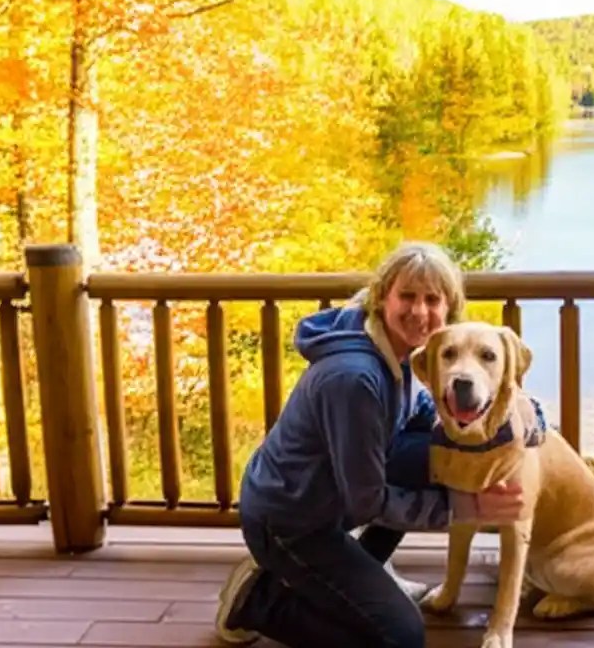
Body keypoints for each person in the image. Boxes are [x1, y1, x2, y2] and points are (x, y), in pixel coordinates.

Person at [215, 241, 525, 648]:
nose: (420, 311)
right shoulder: (356, 378)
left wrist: (512, 421)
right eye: (408, 296)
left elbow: (419, 422)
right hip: (291, 521)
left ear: (449, 307)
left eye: (433, 299)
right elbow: (367, 502)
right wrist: (468, 507)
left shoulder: (405, 352)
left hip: (329, 497)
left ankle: (362, 574)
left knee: (434, 459)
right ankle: (257, 601)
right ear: (383, 297)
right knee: (401, 637)